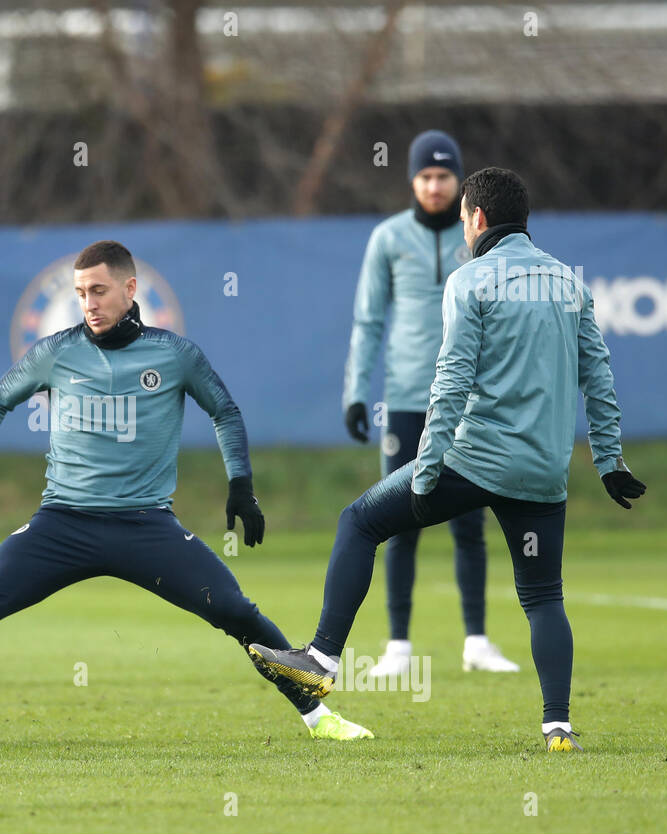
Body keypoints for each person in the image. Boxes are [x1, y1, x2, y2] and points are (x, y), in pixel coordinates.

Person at [0, 240, 374, 742]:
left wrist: (241, 485)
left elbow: (225, 411)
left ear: (130, 289)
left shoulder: (175, 354)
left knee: (236, 612)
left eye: (97, 290)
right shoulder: (56, 352)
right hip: (60, 524)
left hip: (145, 527)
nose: (88, 303)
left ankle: (319, 717)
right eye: (79, 293)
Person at [250, 167, 646, 752]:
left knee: (359, 521)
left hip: (475, 458)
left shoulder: (470, 280)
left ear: (477, 218)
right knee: (543, 596)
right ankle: (557, 726)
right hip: (542, 472)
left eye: (463, 216)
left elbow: (451, 380)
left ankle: (322, 659)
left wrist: (428, 466)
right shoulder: (568, 283)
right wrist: (609, 460)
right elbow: (600, 376)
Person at [343, 130, 516, 676]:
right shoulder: (388, 238)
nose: (435, 186)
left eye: (444, 177)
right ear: (412, 180)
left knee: (471, 521)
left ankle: (477, 642)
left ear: (459, 182)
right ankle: (398, 646)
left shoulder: (484, 238)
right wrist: (355, 392)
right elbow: (368, 320)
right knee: (400, 518)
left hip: (469, 400)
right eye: (425, 177)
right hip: (408, 399)